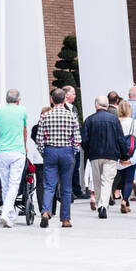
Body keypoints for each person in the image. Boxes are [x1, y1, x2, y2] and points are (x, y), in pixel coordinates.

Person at [35, 88, 81, 228]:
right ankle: (65, 219)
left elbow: (39, 139)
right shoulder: (71, 115)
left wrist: (44, 152)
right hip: (66, 151)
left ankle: (45, 211)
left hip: (50, 150)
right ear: (65, 99)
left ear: (52, 100)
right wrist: (72, 152)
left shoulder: (45, 116)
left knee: (49, 185)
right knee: (66, 187)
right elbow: (77, 139)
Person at [82, 95, 128, 219]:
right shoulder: (114, 120)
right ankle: (103, 205)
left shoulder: (89, 120)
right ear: (107, 106)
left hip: (95, 154)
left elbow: (84, 140)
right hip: (111, 154)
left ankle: (99, 203)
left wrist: (88, 152)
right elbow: (120, 139)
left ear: (96, 105)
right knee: (107, 181)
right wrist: (124, 155)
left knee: (97, 180)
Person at [0, 89, 28, 228]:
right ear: (18, 100)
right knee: (14, 184)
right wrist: (25, 145)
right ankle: (5, 213)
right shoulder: (22, 111)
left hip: (3, 151)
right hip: (18, 151)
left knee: (4, 184)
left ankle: (10, 216)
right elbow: (24, 131)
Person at [113, 99, 136, 213]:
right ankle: (125, 201)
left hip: (119, 153)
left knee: (122, 178)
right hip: (131, 153)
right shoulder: (135, 122)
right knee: (129, 179)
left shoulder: (116, 122)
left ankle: (127, 203)